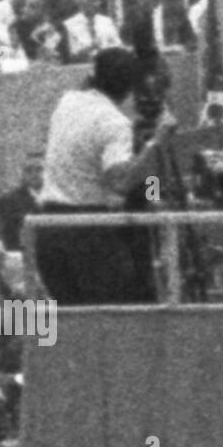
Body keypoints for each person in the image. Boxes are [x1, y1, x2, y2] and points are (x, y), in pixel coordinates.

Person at [35, 48, 174, 303]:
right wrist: (155, 142)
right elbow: (124, 177)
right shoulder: (114, 121)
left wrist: (154, 198)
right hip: (99, 224)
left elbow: (152, 177)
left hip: (129, 221)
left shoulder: (72, 102)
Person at [0, 154, 43, 253]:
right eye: (28, 170)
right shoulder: (8, 201)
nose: (34, 174)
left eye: (39, 169)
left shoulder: (57, 198)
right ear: (22, 173)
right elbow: (8, 234)